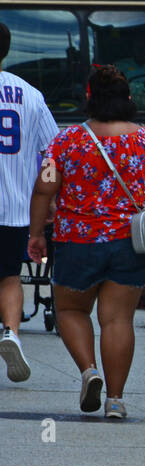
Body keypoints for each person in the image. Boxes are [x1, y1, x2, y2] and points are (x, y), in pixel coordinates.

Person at [27, 65, 145, 421]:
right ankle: (115, 399)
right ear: (129, 99)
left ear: (89, 99)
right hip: (133, 243)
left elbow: (44, 187)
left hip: (78, 241)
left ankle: (87, 370)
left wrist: (36, 233)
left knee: (70, 310)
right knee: (117, 321)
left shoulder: (66, 141)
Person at [0, 24, 59, 384]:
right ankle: (11, 332)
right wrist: (48, 197)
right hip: (15, 207)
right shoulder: (30, 94)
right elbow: (52, 152)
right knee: (9, 277)